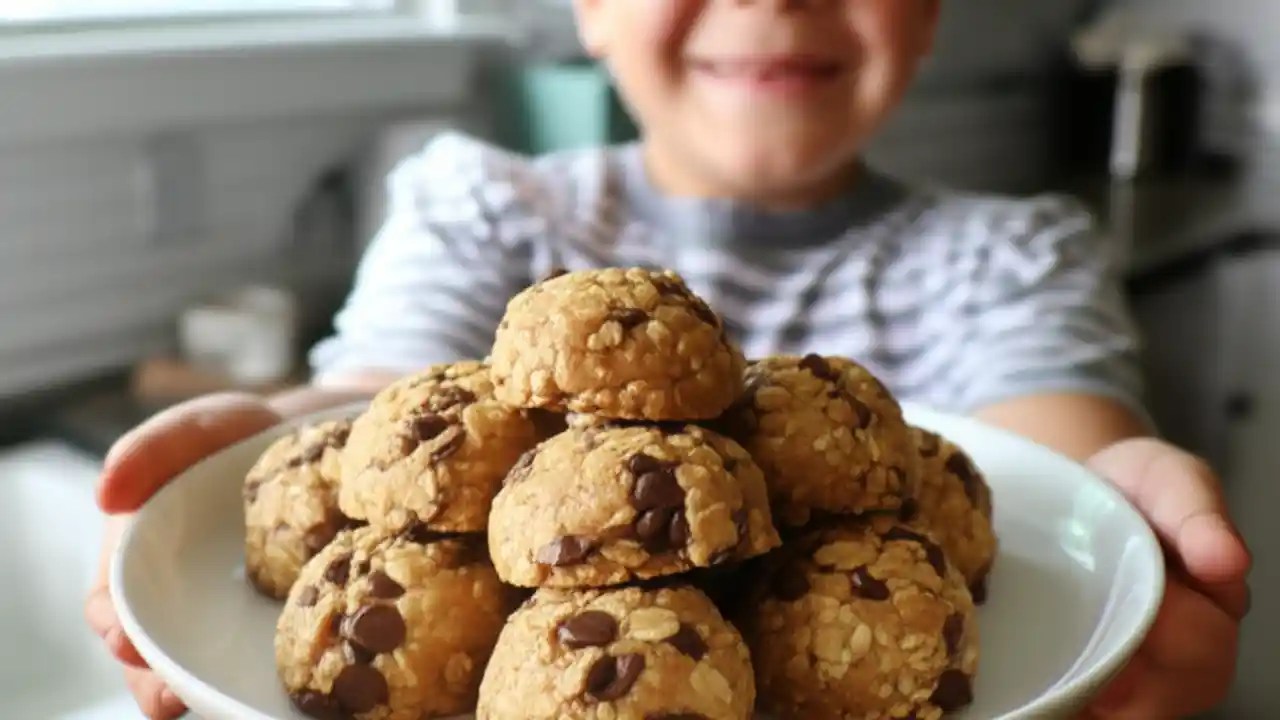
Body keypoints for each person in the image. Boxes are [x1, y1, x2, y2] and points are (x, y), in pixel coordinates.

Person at [86, 2, 1250, 718]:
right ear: (589, 10)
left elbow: (1058, 462)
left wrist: (1123, 511)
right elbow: (386, 410)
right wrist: (285, 430)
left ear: (930, 11)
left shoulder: (1008, 253)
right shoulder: (479, 207)